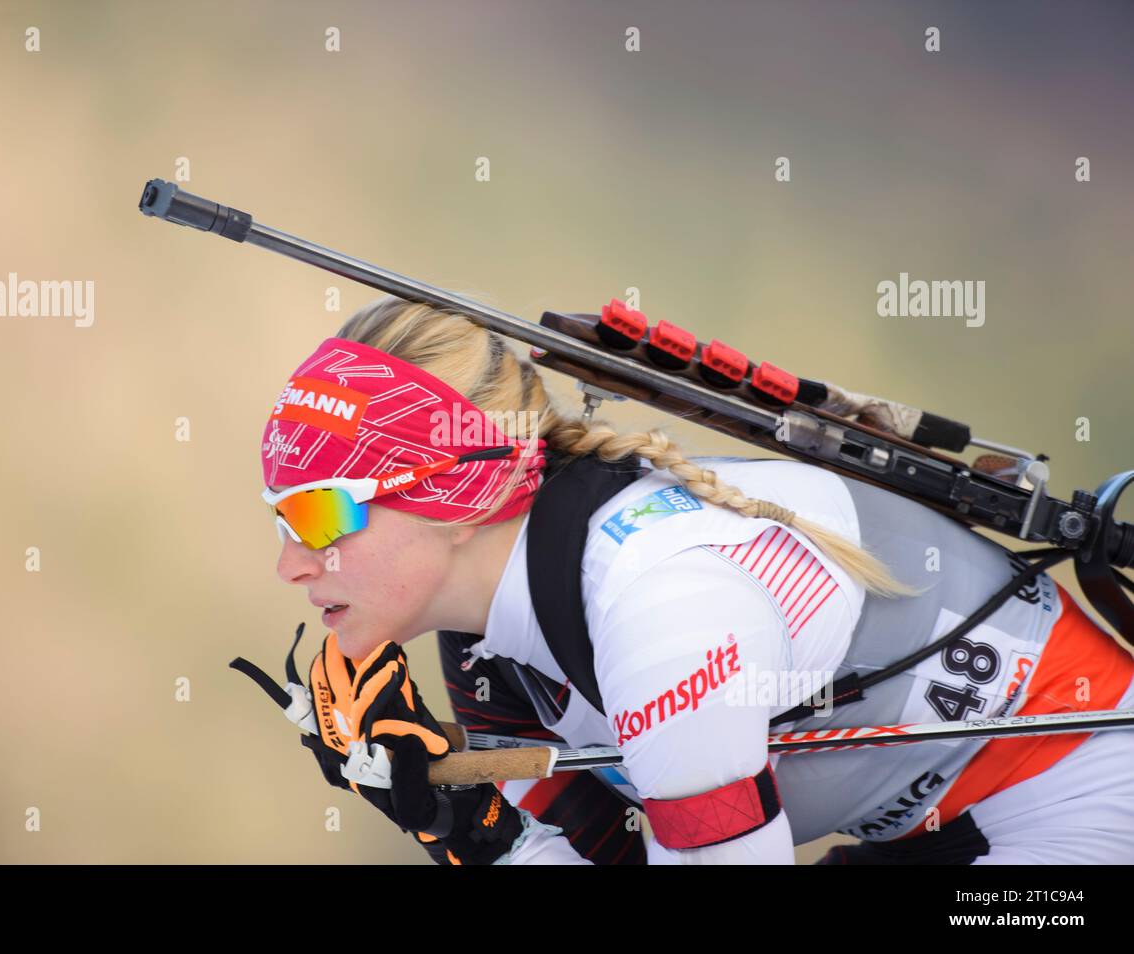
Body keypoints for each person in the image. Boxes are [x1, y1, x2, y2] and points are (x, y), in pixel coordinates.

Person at [262, 294, 1134, 865]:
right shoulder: (493, 642)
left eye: (320, 515)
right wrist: (467, 825)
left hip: (1074, 806)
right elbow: (618, 859)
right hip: (941, 831)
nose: (291, 564)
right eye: (281, 517)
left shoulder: (660, 608)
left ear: (459, 492)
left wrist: (490, 842)